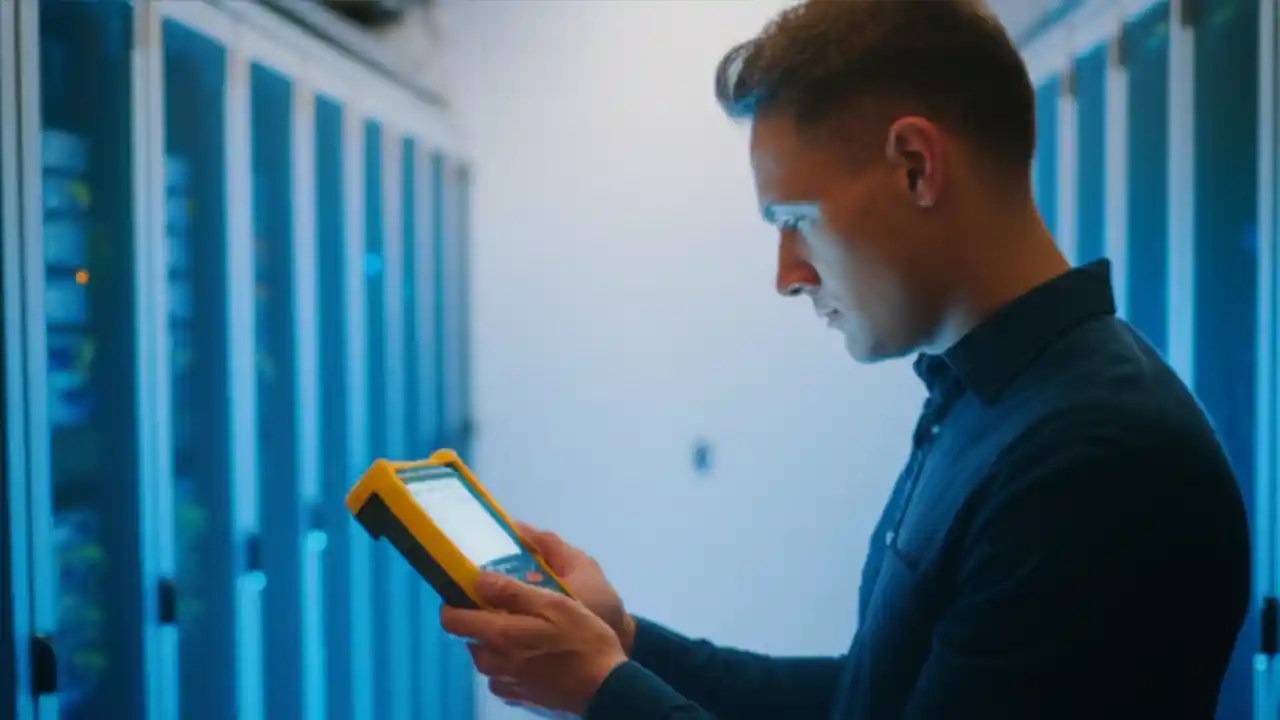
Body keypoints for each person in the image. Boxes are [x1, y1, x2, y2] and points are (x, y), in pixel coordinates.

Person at [440, 1, 1251, 718]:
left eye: (796, 217)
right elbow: (874, 696)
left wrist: (606, 692)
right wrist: (623, 644)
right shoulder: (989, 402)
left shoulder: (1091, 459)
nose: (787, 275)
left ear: (915, 166)